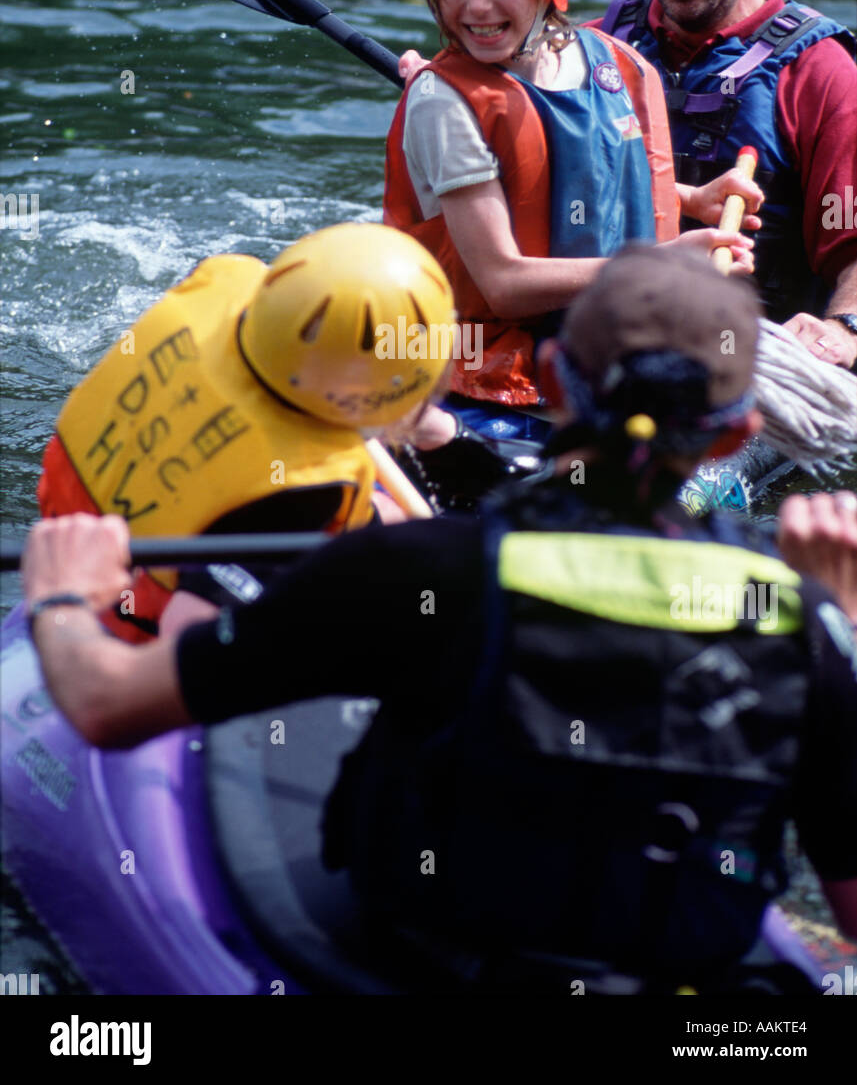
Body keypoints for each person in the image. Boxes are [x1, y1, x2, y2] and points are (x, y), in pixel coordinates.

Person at [23, 244, 857, 993]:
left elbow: (109, 705)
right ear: (737, 436)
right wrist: (840, 628)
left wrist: (65, 593)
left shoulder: (418, 568)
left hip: (435, 955)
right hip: (683, 983)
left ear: (556, 379)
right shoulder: (797, 616)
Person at [384, 0, 753, 421]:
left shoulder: (619, 66)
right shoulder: (441, 103)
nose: (475, 6)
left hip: (615, 366)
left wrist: (690, 200)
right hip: (489, 384)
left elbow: (586, 171)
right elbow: (503, 283)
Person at [35, 222, 455, 641]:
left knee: (393, 522)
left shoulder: (229, 280)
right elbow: (190, 636)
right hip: (126, 620)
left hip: (66, 528)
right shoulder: (304, 486)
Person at [598, 0, 857, 366]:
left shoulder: (823, 76)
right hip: (602, 339)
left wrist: (845, 327)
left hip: (746, 366)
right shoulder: (595, 49)